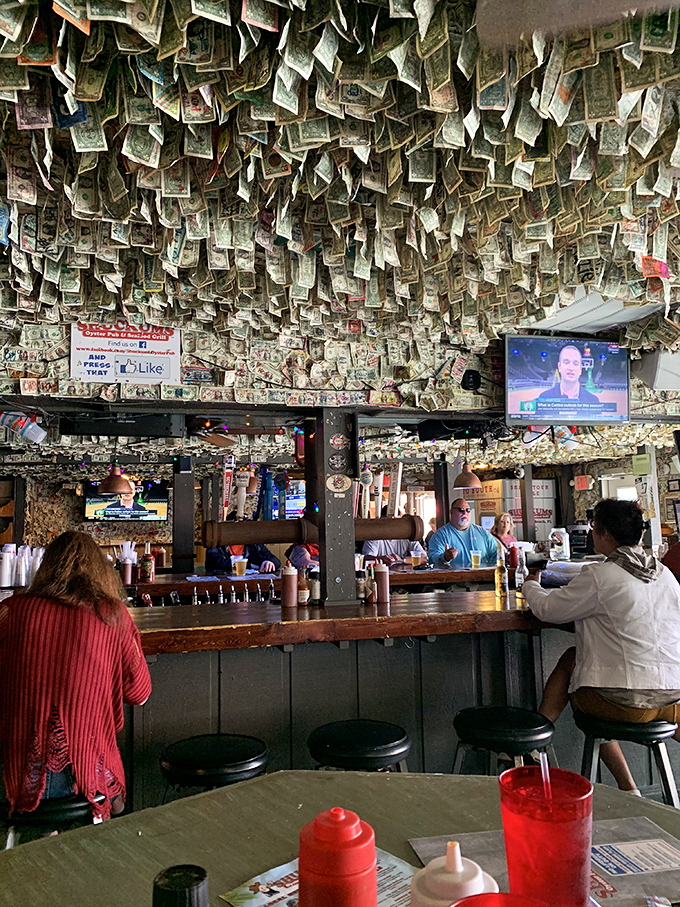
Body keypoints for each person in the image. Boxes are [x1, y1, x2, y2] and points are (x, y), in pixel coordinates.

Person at [524, 499, 680, 793]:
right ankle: (630, 790)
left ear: (605, 533)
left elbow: (546, 609)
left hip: (623, 703)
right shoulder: (667, 577)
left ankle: (536, 745)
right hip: (673, 699)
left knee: (589, 692)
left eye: (594, 526)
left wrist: (531, 582)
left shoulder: (599, 576)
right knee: (580, 664)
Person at [0, 531, 152, 821]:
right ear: (100, 571)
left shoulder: (10, 610)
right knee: (113, 800)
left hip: (15, 773)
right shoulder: (113, 615)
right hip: (89, 776)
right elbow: (140, 693)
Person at [427, 498, 498, 567]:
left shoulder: (482, 532)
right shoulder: (441, 535)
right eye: (461, 510)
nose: (465, 513)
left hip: (482, 577)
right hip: (454, 577)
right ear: (451, 512)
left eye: (468, 510)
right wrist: (445, 558)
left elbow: (497, 552)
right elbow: (432, 560)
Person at [205, 512, 281, 574]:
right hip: (221, 585)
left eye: (244, 528)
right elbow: (215, 562)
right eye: (235, 528)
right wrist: (250, 565)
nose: (241, 532)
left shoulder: (254, 544)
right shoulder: (217, 544)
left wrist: (269, 562)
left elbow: (276, 561)